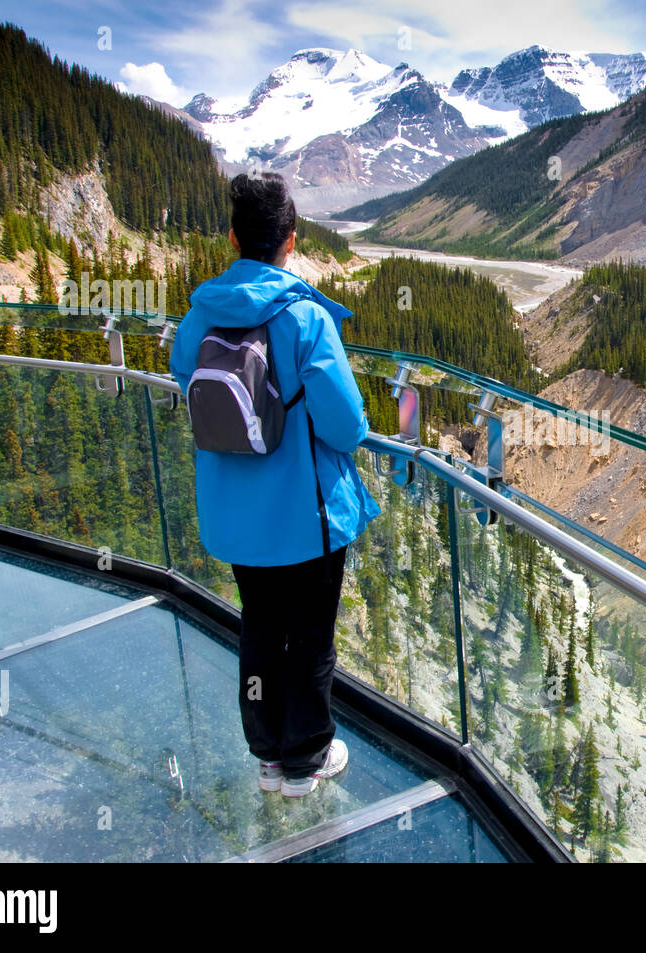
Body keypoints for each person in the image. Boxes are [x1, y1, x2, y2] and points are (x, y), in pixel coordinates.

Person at [170, 172, 380, 798]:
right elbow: (346, 427)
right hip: (305, 520)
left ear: (233, 237)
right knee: (311, 635)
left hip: (238, 519)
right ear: (290, 241)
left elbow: (192, 392)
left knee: (260, 627)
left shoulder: (199, 316)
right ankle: (307, 760)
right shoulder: (305, 318)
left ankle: (267, 755)